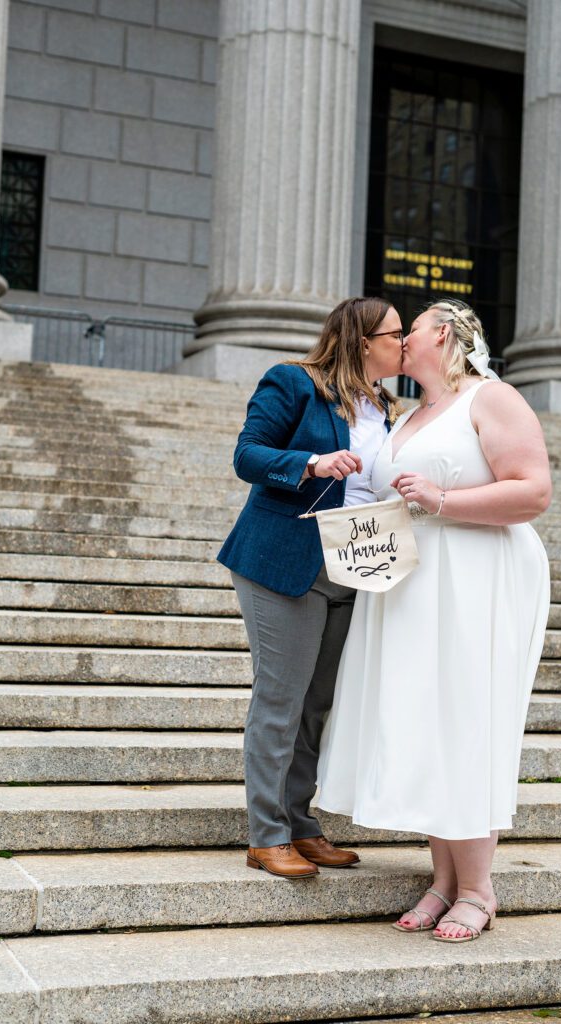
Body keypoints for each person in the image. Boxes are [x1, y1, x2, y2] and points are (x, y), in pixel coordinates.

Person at [317, 298, 551, 939]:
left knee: (465, 718)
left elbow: (533, 490)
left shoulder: (491, 398)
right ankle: (444, 881)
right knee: (428, 721)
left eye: (410, 329)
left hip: (476, 579)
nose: (398, 339)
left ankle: (478, 888)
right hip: (411, 584)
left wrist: (441, 498)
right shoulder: (410, 414)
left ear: (442, 333)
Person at [217, 297, 404, 878]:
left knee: (317, 703)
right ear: (363, 340)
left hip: (355, 562)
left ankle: (300, 824)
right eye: (395, 334)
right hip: (285, 558)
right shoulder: (294, 382)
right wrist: (312, 463)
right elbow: (247, 455)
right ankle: (267, 834)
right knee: (282, 698)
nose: (403, 343)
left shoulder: (390, 407)